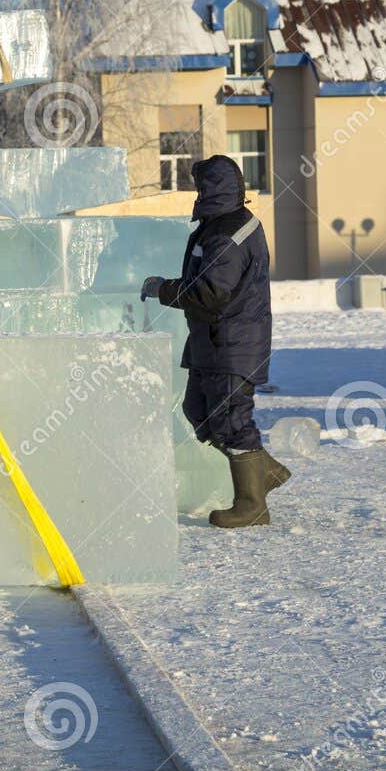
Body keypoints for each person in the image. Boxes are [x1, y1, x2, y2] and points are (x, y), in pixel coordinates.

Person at [142, 154, 290, 528]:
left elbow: (211, 293)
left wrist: (163, 290)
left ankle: (252, 504)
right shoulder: (217, 225)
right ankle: (263, 470)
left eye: (200, 186)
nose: (196, 192)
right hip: (210, 341)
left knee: (231, 420)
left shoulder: (228, 233)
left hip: (232, 344)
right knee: (198, 411)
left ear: (212, 189)